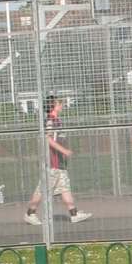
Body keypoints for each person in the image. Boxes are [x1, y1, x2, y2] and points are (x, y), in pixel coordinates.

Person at [26, 95, 92, 226]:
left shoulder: (57, 120)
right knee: (42, 190)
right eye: (58, 103)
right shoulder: (50, 121)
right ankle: (30, 213)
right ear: (52, 106)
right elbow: (48, 139)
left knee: (65, 188)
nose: (61, 105)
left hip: (60, 163)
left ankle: (74, 214)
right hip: (51, 162)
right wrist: (64, 150)